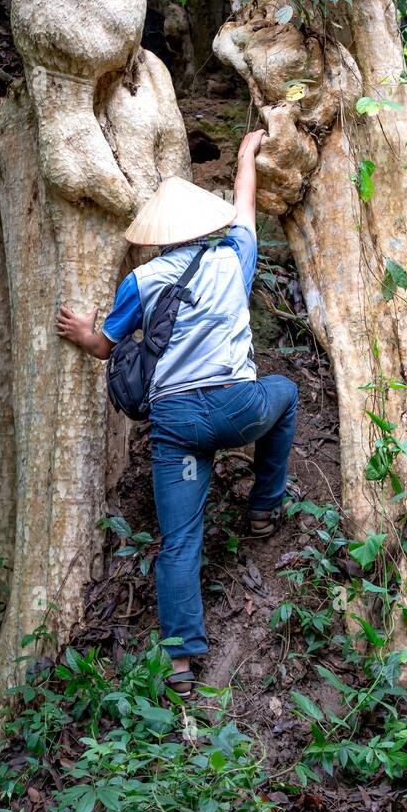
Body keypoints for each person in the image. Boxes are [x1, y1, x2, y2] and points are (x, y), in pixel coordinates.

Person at [56, 129, 299, 697]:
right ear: (202, 225)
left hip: (176, 425)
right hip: (238, 410)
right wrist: (245, 157)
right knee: (284, 393)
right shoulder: (234, 256)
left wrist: (83, 332)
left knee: (180, 539)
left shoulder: (141, 280)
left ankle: (181, 666)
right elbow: (243, 205)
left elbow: (105, 348)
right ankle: (263, 509)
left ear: (159, 238)